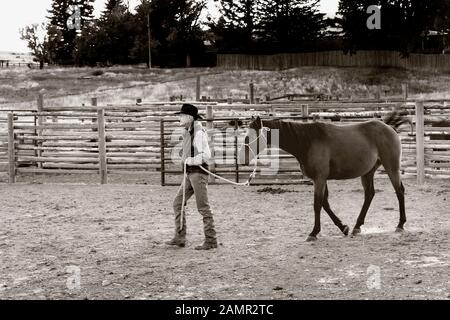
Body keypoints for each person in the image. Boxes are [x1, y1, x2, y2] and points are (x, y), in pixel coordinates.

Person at [166, 104, 218, 250]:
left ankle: (211, 240)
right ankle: (180, 237)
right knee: (177, 203)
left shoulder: (199, 133)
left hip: (198, 174)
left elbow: (206, 155)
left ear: (189, 117)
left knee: (203, 207)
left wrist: (191, 160)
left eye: (181, 115)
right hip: (190, 173)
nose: (179, 118)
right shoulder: (189, 131)